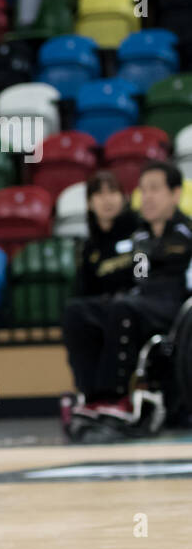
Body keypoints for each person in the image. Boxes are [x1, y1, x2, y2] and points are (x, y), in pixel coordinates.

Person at [63, 162, 192, 422]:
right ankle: (91, 395)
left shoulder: (186, 234)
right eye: (143, 190)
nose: (147, 197)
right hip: (140, 300)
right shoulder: (138, 236)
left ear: (175, 194)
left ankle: (117, 396)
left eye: (155, 189)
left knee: (124, 308)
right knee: (77, 311)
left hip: (174, 307)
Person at [75, 170, 139, 298]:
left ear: (124, 198)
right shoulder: (89, 247)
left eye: (112, 191)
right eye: (99, 193)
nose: (107, 199)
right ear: (89, 203)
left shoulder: (139, 231)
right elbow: (86, 293)